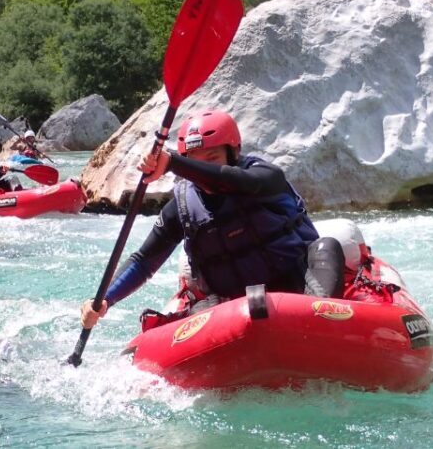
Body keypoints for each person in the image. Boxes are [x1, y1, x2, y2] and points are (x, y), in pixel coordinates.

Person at [80, 109, 342, 329]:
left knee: (328, 246)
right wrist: (105, 299)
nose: (203, 170)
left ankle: (326, 322)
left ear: (234, 152)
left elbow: (229, 181)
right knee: (199, 303)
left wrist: (173, 163)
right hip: (230, 305)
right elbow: (144, 262)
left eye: (212, 158)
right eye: (194, 162)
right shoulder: (180, 208)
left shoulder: (265, 176)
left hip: (297, 286)